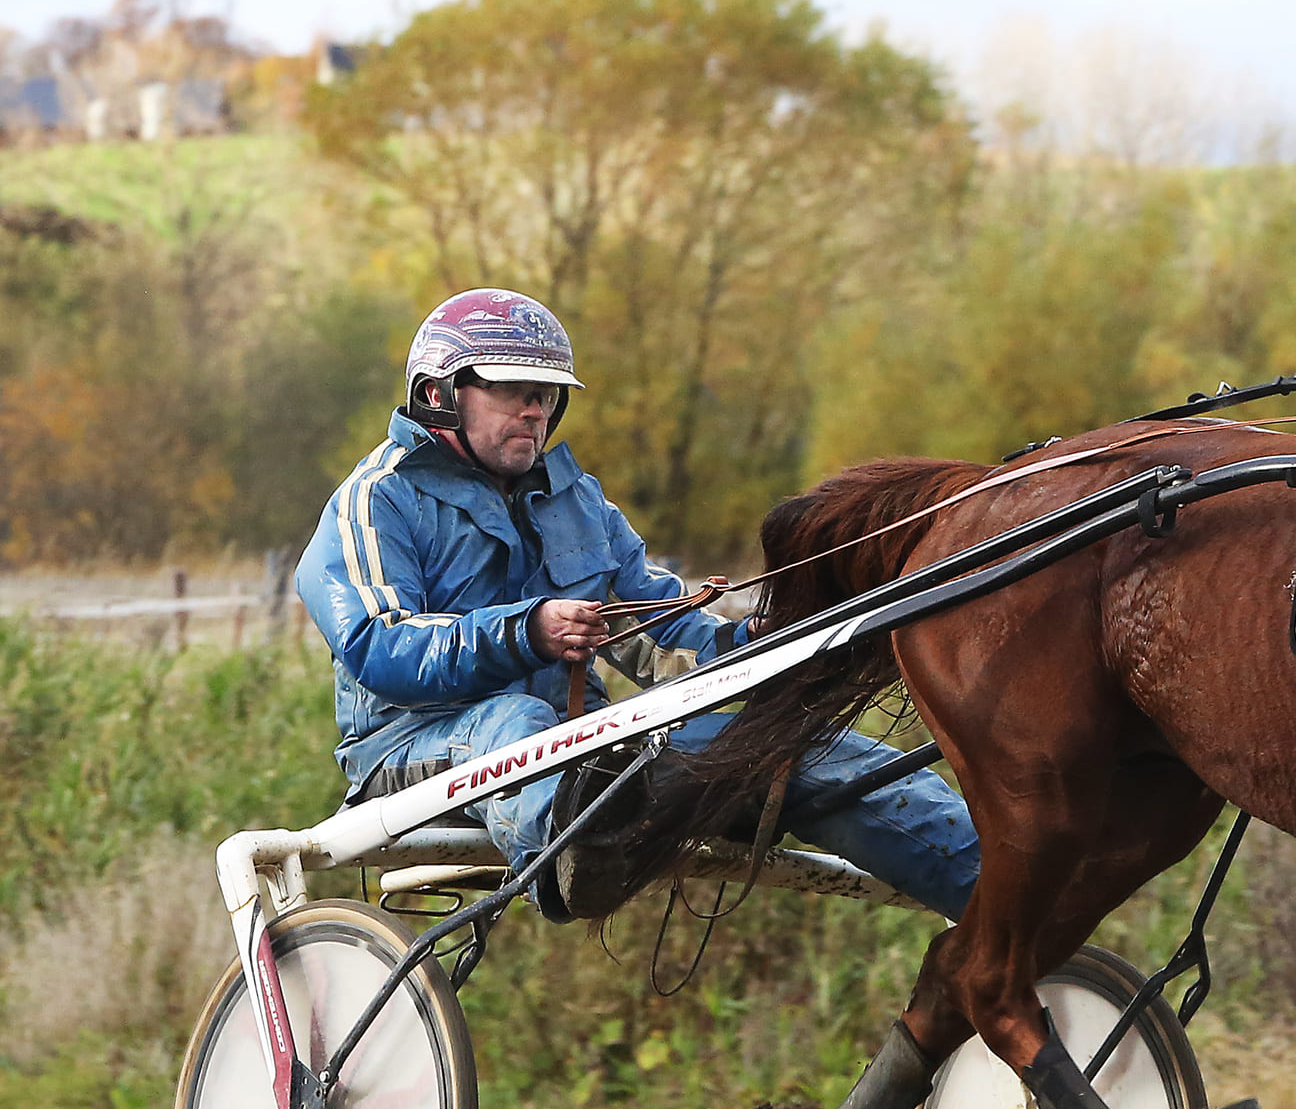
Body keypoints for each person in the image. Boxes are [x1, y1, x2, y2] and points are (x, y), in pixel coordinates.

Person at [296, 288, 978, 921]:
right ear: (438, 394)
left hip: (585, 755)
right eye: (511, 391)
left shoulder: (578, 503)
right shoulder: (374, 500)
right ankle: (585, 853)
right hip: (412, 754)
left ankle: (996, 897)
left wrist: (755, 642)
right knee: (520, 718)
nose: (535, 410)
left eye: (545, 394)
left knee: (793, 742)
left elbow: (659, 632)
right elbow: (377, 646)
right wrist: (525, 633)